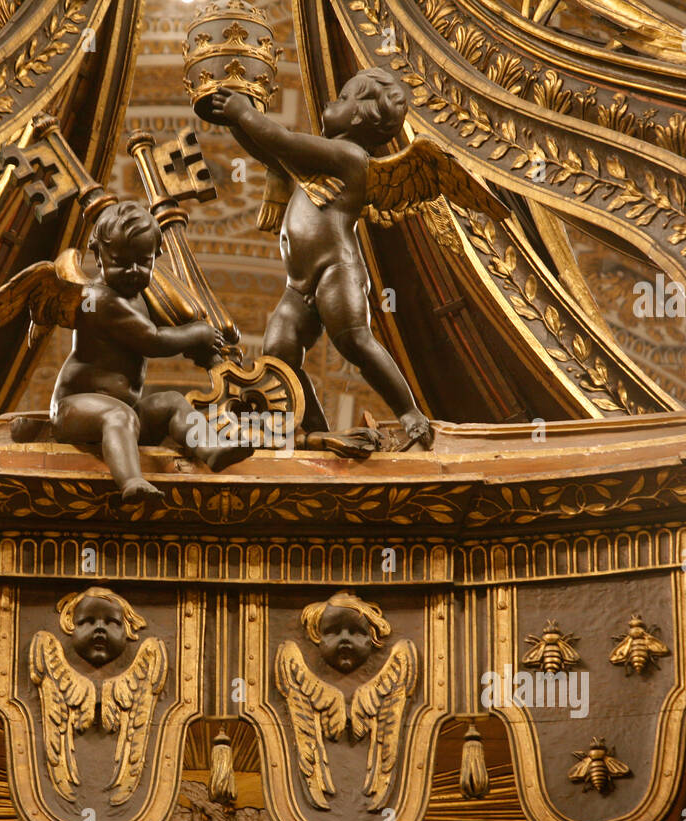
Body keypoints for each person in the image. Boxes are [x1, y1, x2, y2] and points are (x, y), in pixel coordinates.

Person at [210, 69, 438, 451]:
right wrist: (235, 116)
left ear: (358, 118)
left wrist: (242, 112)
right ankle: (314, 427)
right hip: (298, 284)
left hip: (337, 269)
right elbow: (269, 151)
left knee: (353, 340)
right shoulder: (315, 165)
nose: (332, 101)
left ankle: (409, 411)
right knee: (278, 354)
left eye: (343, 97)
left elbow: (281, 139)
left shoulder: (348, 156)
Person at [50, 201, 253, 503]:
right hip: (74, 409)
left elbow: (170, 319)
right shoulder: (99, 298)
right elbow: (153, 341)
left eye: (143, 262)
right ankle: (131, 481)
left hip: (125, 413)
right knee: (117, 415)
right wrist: (198, 332)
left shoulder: (138, 295)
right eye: (120, 261)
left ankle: (211, 449)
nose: (133, 270)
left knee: (171, 402)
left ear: (155, 257)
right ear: (99, 256)